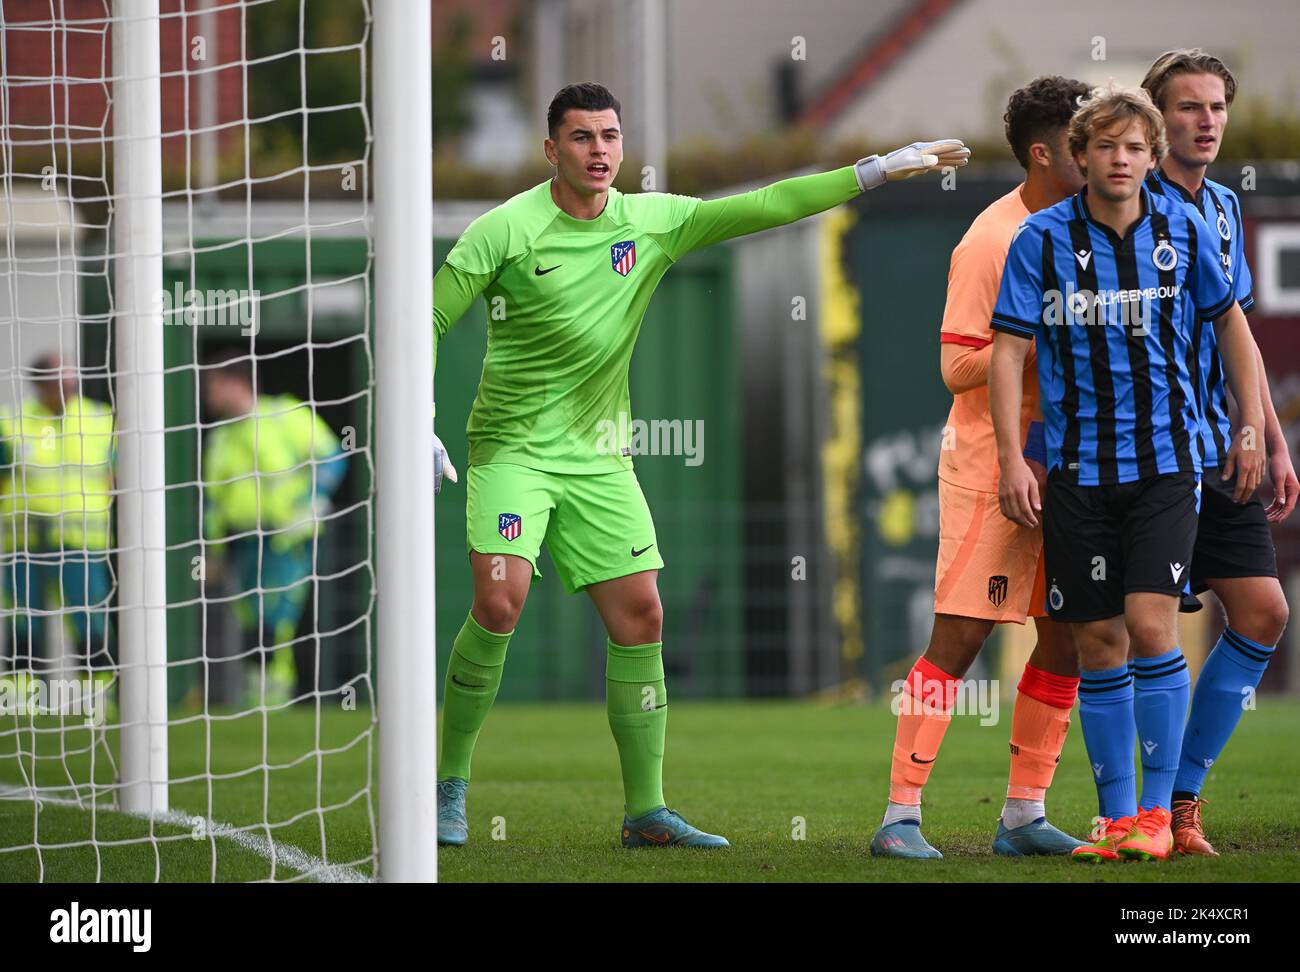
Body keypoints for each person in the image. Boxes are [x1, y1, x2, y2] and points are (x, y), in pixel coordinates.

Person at [432, 80, 969, 848]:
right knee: (500, 599)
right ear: (552, 149)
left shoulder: (649, 223)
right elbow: (426, 318)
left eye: (610, 136)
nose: (599, 151)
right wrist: (418, 419)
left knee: (642, 614)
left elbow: (765, 205)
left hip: (599, 457)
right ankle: (450, 786)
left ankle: (646, 812)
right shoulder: (504, 230)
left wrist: (873, 170)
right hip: (513, 451)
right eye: (581, 137)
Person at [990, 83, 1265, 863]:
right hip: (1078, 474)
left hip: (1167, 468)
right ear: (1079, 156)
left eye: (1135, 148)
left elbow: (1232, 327)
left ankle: (1156, 813)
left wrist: (1248, 424)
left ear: (1151, 158)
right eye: (1105, 146)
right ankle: (1116, 821)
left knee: (1150, 626)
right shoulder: (1039, 240)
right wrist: (1013, 458)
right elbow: (1008, 352)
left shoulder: (1183, 228)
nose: (1120, 159)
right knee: (1099, 640)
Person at [870, 77, 1090, 860]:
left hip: (1069, 466)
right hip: (992, 467)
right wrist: (1036, 342)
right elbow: (956, 365)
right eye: (1082, 142)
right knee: (960, 639)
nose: (1099, 155)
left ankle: (1024, 815)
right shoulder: (991, 239)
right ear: (1043, 152)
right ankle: (899, 817)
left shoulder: (1095, 229)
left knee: (1065, 637)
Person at [1138, 48, 1295, 856]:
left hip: (1217, 449)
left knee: (1264, 610)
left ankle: (1182, 801)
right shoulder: (1127, 202)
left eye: (1216, 107)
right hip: (1146, 455)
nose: (1206, 121)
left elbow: (1237, 336)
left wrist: (1268, 436)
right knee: (1138, 632)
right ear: (1156, 117)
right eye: (1188, 107)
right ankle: (1129, 812)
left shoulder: (1226, 207)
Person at [201, 348, 349, 706]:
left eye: (212, 384)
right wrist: (213, 550)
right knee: (250, 620)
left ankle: (274, 700)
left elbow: (332, 456)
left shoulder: (285, 415)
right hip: (241, 541)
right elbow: (213, 501)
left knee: (276, 619)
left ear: (235, 383)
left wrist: (312, 500)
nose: (207, 394)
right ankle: (259, 698)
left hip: (285, 539)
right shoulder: (220, 437)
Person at [0, 354, 115, 671]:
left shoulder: (101, 419)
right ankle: (23, 696)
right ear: (39, 385)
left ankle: (99, 693)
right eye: (59, 382)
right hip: (25, 543)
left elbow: (116, 476)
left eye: (71, 381)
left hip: (82, 542)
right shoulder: (11, 422)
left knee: (90, 622)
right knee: (24, 623)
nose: (68, 389)